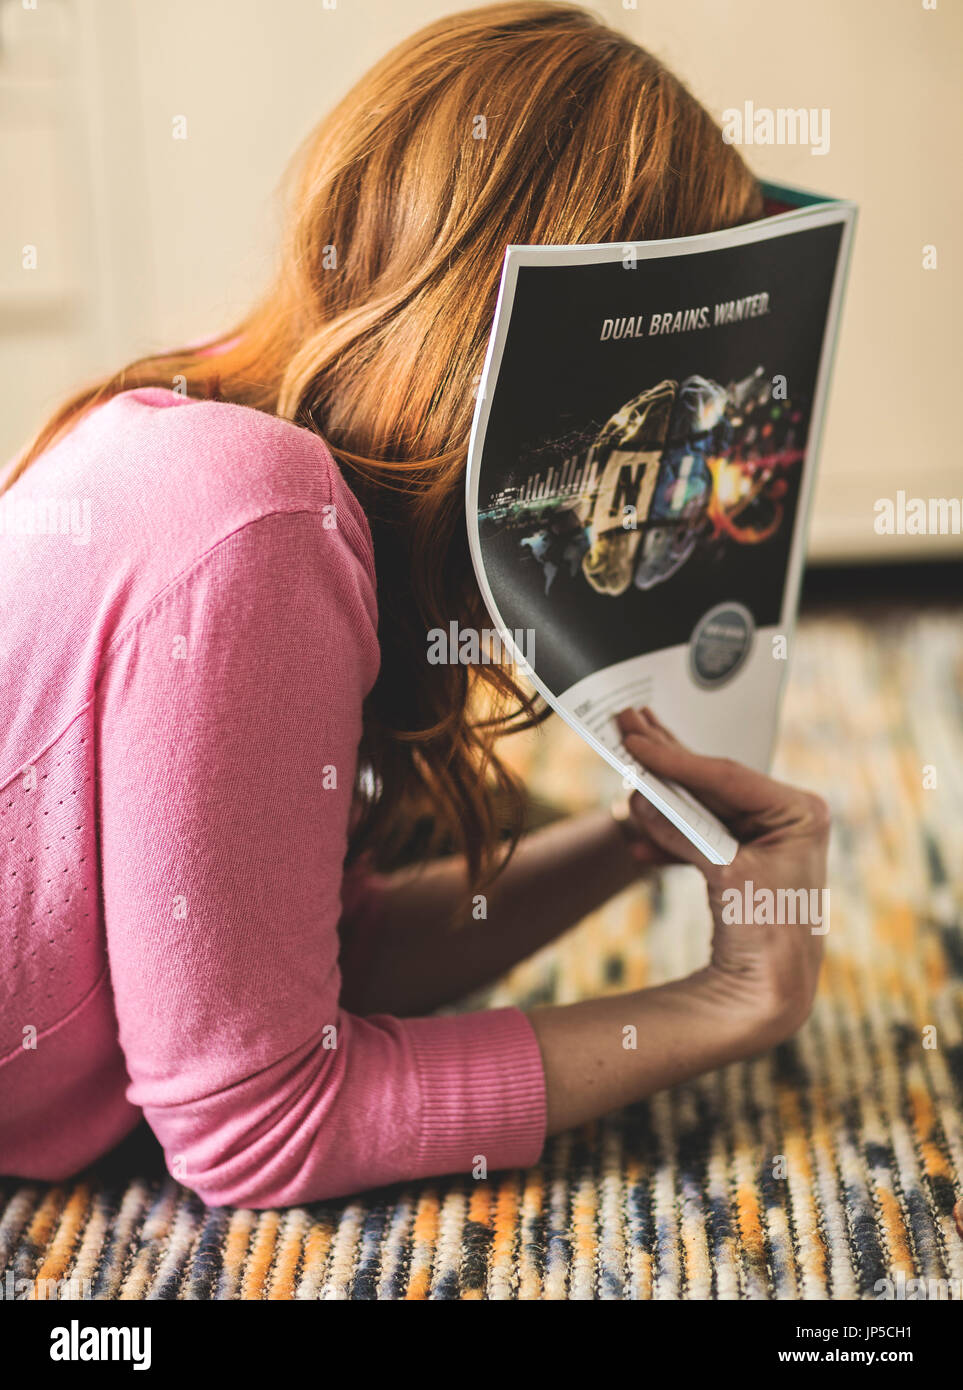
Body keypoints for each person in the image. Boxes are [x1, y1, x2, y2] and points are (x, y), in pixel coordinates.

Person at [0, 2, 828, 1207]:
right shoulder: (254, 520)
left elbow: (287, 967)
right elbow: (260, 1118)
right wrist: (726, 1004)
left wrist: (632, 839)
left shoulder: (230, 436)